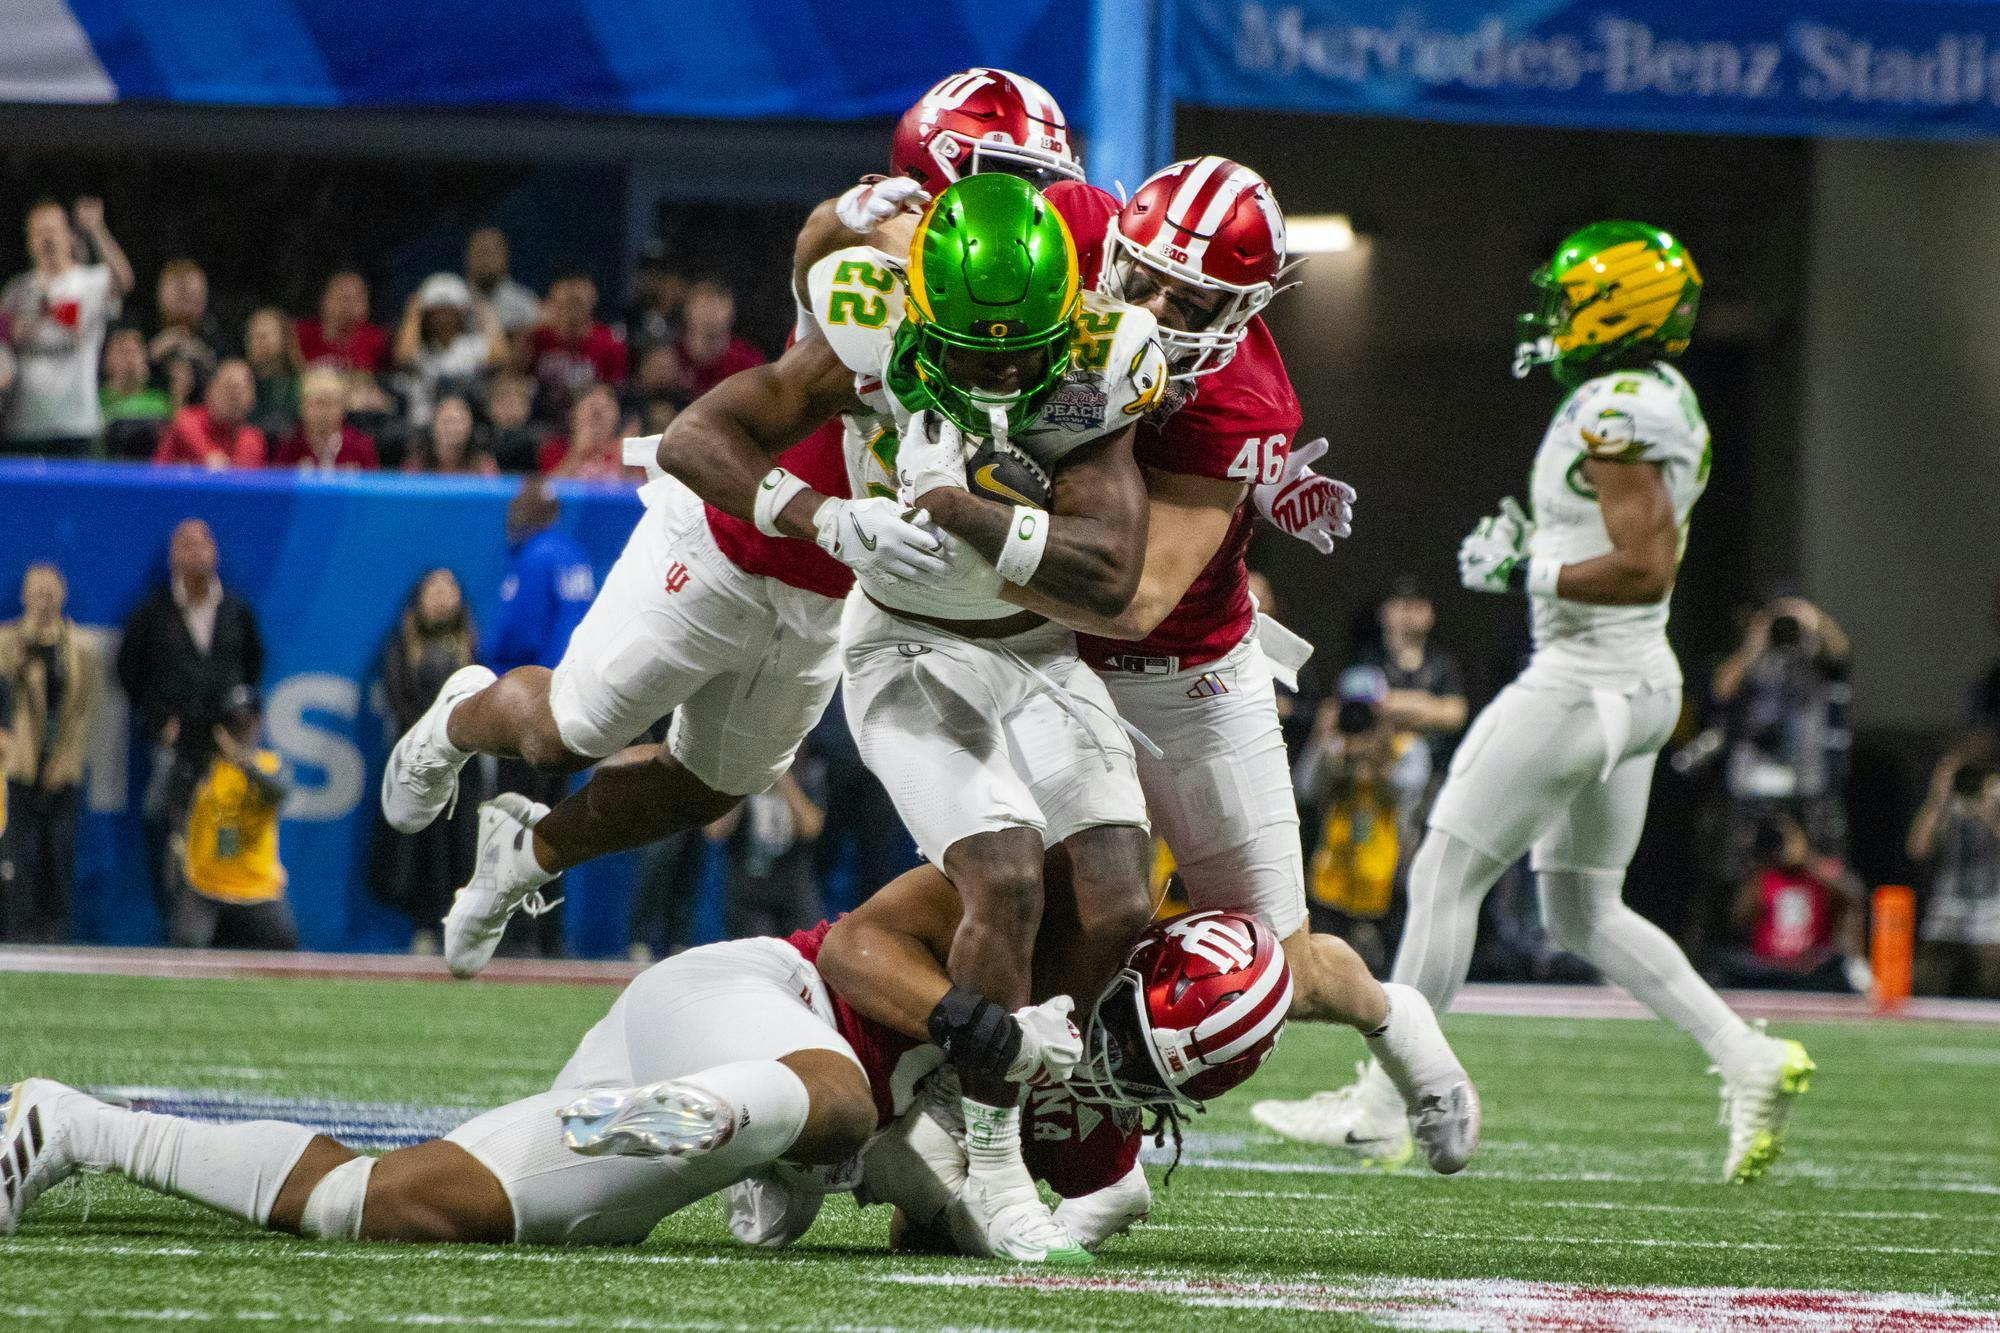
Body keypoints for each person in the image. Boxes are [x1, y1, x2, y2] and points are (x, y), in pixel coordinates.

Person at [1252, 222, 1815, 1186]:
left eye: (1570, 299)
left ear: (1613, 310)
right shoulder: (1659, 395)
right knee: (1584, 909)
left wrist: (1531, 563)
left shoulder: (1619, 406)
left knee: (1442, 877)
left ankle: (1387, 1105)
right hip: (1638, 687)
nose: (1553, 317)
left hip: (1581, 684)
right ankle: (1744, 1054)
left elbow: (1642, 566)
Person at [0, 862, 1285, 1264]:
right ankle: (767, 1146)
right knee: (837, 1098)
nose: (1112, 1084)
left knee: (392, 1209)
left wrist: (982, 1207)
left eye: (1147, 1086)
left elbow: (928, 1251)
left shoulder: (1108, 1122)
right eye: (1120, 1045)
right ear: (1132, 959)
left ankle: (68, 1126)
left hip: (710, 1097)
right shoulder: (1041, 889)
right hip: (745, 1000)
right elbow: (850, 948)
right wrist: (979, 1030)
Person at [465, 481, 598, 959]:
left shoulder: (537, 559)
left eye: (518, 508)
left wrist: (481, 653)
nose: (510, 517)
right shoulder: (573, 556)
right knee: (555, 824)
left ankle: (515, 933)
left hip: (529, 712)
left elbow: (517, 634)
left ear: (534, 513)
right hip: (572, 708)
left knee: (514, 821)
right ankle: (548, 934)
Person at [117, 519, 264, 928]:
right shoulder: (151, 612)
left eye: (203, 543)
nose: (196, 552)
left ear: (215, 552)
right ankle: (178, 919)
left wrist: (240, 726)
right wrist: (159, 723)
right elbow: (129, 674)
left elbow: (254, 665)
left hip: (227, 746)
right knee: (169, 827)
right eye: (186, 544)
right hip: (175, 745)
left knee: (228, 829)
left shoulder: (235, 610)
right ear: (172, 556)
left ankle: (228, 916)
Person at [370, 570, 483, 952]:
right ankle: (423, 926)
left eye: (450, 587)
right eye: (433, 588)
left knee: (462, 846)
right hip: (421, 764)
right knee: (422, 848)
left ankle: (460, 927)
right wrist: (430, 742)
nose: (441, 596)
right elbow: (397, 697)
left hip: (464, 767)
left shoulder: (469, 646)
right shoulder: (404, 645)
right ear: (418, 598)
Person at [1295, 667, 1432, 974]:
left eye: (1367, 710)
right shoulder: (1332, 748)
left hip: (1389, 876)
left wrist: (1380, 757)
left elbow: (1412, 787)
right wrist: (1324, 741)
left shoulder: (1407, 747)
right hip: (1333, 877)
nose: (1358, 719)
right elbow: (1304, 788)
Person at [1711, 593, 1853, 869]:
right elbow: (1721, 690)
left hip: (1809, 786)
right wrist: (1756, 642)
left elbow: (1841, 653)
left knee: (1818, 871)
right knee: (1747, 879)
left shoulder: (1817, 656)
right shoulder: (1754, 657)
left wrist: (1815, 622)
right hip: (1752, 787)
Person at [0, 563, 101, 943]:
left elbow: (83, 714)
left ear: (63, 594)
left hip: (62, 769)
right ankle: (16, 938)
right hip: (17, 772)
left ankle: (56, 941)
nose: (43, 598)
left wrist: (66, 761)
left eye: (50, 589)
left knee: (59, 858)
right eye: (35, 590)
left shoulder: (81, 652)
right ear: (24, 595)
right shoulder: (6, 645)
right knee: (17, 860)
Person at [167, 685, 298, 950]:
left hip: (257, 890)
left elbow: (278, 792)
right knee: (186, 947)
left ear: (258, 723)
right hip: (207, 888)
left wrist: (242, 760)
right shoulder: (204, 766)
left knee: (284, 947)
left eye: (247, 721)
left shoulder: (271, 765)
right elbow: (176, 802)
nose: (242, 730)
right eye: (234, 723)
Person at [1, 197, 133, 456]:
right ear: (29, 242)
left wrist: (97, 229)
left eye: (53, 230)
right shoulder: (17, 291)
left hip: (76, 422)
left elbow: (124, 280)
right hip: (24, 423)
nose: (47, 238)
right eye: (39, 233)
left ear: (69, 236)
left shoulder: (90, 282)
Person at [1712, 813, 1865, 992]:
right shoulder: (1763, 878)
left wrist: (1808, 859)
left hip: (1811, 971)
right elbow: (1738, 917)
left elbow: (1855, 896)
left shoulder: (1819, 878)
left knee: (1840, 970)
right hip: (1769, 971)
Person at [1909, 743, 2000, 998]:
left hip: (1991, 912)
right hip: (1947, 910)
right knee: (1925, 981)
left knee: (1991, 982)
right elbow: (1917, 849)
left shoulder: (1995, 798)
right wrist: (1937, 799)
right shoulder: (1946, 805)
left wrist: (1989, 810)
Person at [713, 748, 828, 942]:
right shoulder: (733, 770)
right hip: (749, 888)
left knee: (808, 950)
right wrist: (744, 783)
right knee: (760, 955)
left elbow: (811, 827)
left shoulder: (808, 769)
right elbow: (715, 831)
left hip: (793, 885)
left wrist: (781, 775)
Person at [1359, 577, 1469, 772]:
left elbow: (1456, 714)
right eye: (1400, 606)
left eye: (1416, 607)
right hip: (1380, 763)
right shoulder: (1368, 661)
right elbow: (1358, 709)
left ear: (1430, 614)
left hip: (1435, 762)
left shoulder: (1443, 664)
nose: (1407, 614)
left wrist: (1395, 706)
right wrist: (1426, 705)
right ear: (1383, 612)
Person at [394, 272, 506, 427]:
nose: (443, 320)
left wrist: (483, 309)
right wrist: (414, 312)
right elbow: (403, 357)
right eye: (436, 313)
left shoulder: (471, 346)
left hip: (466, 426)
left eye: (450, 312)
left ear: (461, 314)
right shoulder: (419, 349)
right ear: (426, 316)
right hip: (424, 425)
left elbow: (500, 358)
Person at [523, 271, 626, 422]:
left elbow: (614, 391)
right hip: (540, 415)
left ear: (592, 302)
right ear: (552, 302)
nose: (572, 311)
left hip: (586, 417)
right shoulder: (538, 336)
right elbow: (514, 373)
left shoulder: (609, 342)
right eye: (566, 303)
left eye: (578, 303)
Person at [151, 360, 267, 469]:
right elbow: (184, 421)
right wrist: (209, 456)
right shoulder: (187, 420)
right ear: (210, 390)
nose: (235, 397)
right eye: (228, 387)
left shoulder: (252, 438)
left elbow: (238, 480)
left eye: (242, 390)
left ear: (252, 400)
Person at [673, 280, 765, 399]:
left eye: (719, 302)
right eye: (703, 303)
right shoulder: (669, 356)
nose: (710, 311)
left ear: (732, 311)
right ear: (687, 308)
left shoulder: (749, 364)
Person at [273, 369, 379, 471]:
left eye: (331, 403)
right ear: (302, 407)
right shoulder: (288, 447)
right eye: (318, 403)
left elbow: (374, 485)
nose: (324, 412)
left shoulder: (361, 445)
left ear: (343, 408)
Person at [146, 259, 221, 401]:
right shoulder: (143, 330)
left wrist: (203, 357)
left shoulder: (215, 335)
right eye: (180, 293)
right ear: (161, 293)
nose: (187, 299)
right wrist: (152, 354)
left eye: (194, 294)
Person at [98, 325, 172, 459]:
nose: (131, 359)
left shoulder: (160, 399)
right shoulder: (96, 400)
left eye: (136, 352)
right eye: (123, 352)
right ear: (107, 359)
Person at [295, 272, 389, 375]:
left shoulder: (378, 341)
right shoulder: (298, 336)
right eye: (343, 298)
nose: (349, 305)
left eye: (357, 299)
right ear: (324, 300)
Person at [536, 383, 629, 480]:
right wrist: (576, 453)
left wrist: (623, 461)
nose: (599, 417)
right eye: (593, 409)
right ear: (572, 414)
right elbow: (547, 492)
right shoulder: (554, 449)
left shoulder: (625, 452)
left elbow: (638, 490)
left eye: (606, 408)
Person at [463, 227, 540, 337]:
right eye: (481, 252)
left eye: (492, 253)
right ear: (468, 257)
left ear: (505, 257)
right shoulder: (456, 301)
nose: (486, 260)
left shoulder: (524, 302)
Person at [243, 307, 301, 441]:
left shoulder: (299, 383)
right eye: (254, 335)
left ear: (285, 339)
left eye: (265, 335)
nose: (259, 340)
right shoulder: (240, 381)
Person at [403, 393, 495, 476]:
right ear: (433, 426)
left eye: (459, 422)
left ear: (470, 426)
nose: (452, 429)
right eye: (447, 421)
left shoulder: (483, 466)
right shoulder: (416, 465)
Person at [482, 372, 540, 473]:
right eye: (503, 400)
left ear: (527, 407)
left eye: (516, 401)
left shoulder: (538, 443)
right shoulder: (479, 441)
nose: (509, 408)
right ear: (489, 406)